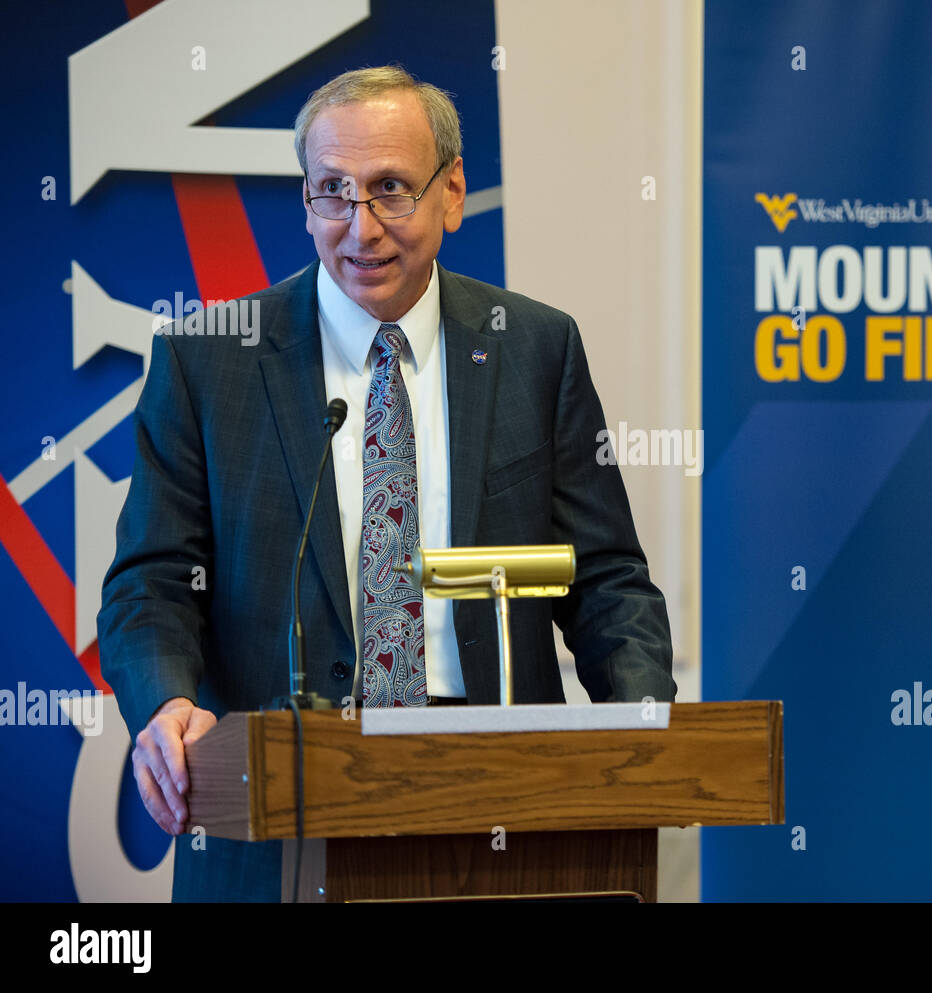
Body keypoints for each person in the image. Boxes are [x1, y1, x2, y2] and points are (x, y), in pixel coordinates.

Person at [97, 65, 675, 902]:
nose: (359, 227)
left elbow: (608, 579)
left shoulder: (535, 349)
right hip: (283, 812)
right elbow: (149, 583)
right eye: (332, 191)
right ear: (304, 202)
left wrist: (642, 728)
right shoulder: (206, 359)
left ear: (452, 194)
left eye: (390, 190)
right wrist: (166, 705)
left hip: (502, 813)